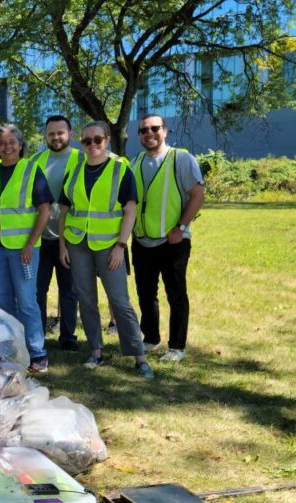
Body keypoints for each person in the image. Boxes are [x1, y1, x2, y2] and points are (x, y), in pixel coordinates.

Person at [58, 121, 154, 379]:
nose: (92, 145)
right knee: (86, 299)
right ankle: (96, 351)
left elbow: (130, 210)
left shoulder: (120, 170)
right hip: (77, 244)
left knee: (120, 301)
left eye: (97, 139)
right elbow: (65, 211)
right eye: (86, 141)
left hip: (110, 245)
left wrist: (121, 246)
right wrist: (63, 246)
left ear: (107, 140)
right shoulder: (74, 171)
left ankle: (139, 356)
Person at [0, 124, 52, 374]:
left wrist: (29, 244)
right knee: (3, 300)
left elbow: (45, 211)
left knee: (27, 301)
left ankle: (38, 352)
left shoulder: (31, 170)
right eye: (2, 143)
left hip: (23, 250)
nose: (7, 147)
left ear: (20, 145)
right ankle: (11, 349)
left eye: (12, 142)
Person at [130, 114, 205, 363]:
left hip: (173, 241)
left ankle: (177, 346)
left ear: (165, 130)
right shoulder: (136, 162)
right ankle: (151, 338)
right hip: (142, 240)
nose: (149, 133)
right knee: (145, 293)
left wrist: (181, 227)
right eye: (143, 130)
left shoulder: (180, 159)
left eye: (154, 128)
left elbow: (198, 195)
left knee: (176, 295)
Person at [31, 115, 83, 351]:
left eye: (60, 133)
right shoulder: (35, 160)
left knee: (69, 289)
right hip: (40, 236)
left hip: (70, 236)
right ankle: (38, 334)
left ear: (70, 134)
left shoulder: (82, 159)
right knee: (38, 289)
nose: (56, 137)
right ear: (45, 135)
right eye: (51, 133)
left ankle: (68, 336)